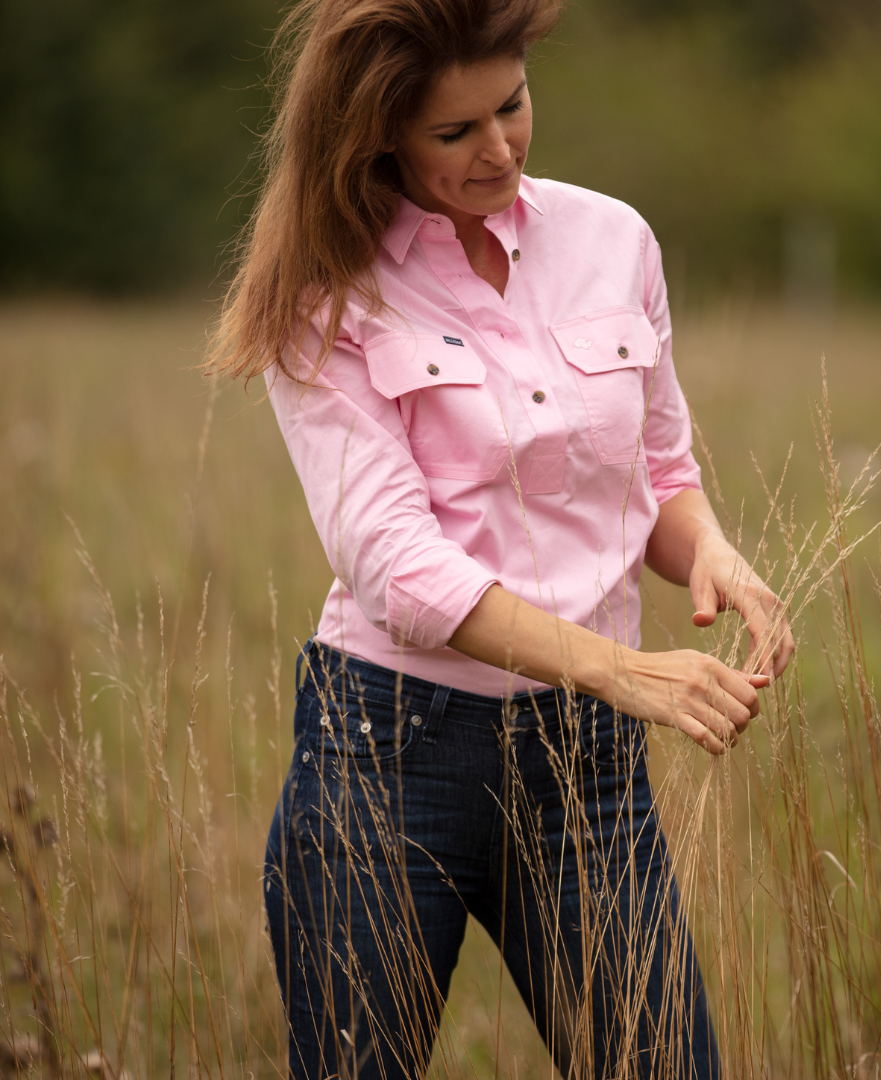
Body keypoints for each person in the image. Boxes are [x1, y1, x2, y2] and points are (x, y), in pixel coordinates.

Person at [209, 0, 794, 1076]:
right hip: (389, 757)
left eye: (513, 105)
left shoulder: (614, 241)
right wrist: (624, 669)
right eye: (456, 131)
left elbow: (659, 472)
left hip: (588, 768)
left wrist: (712, 551)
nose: (501, 149)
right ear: (379, 133)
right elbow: (398, 571)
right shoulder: (327, 291)